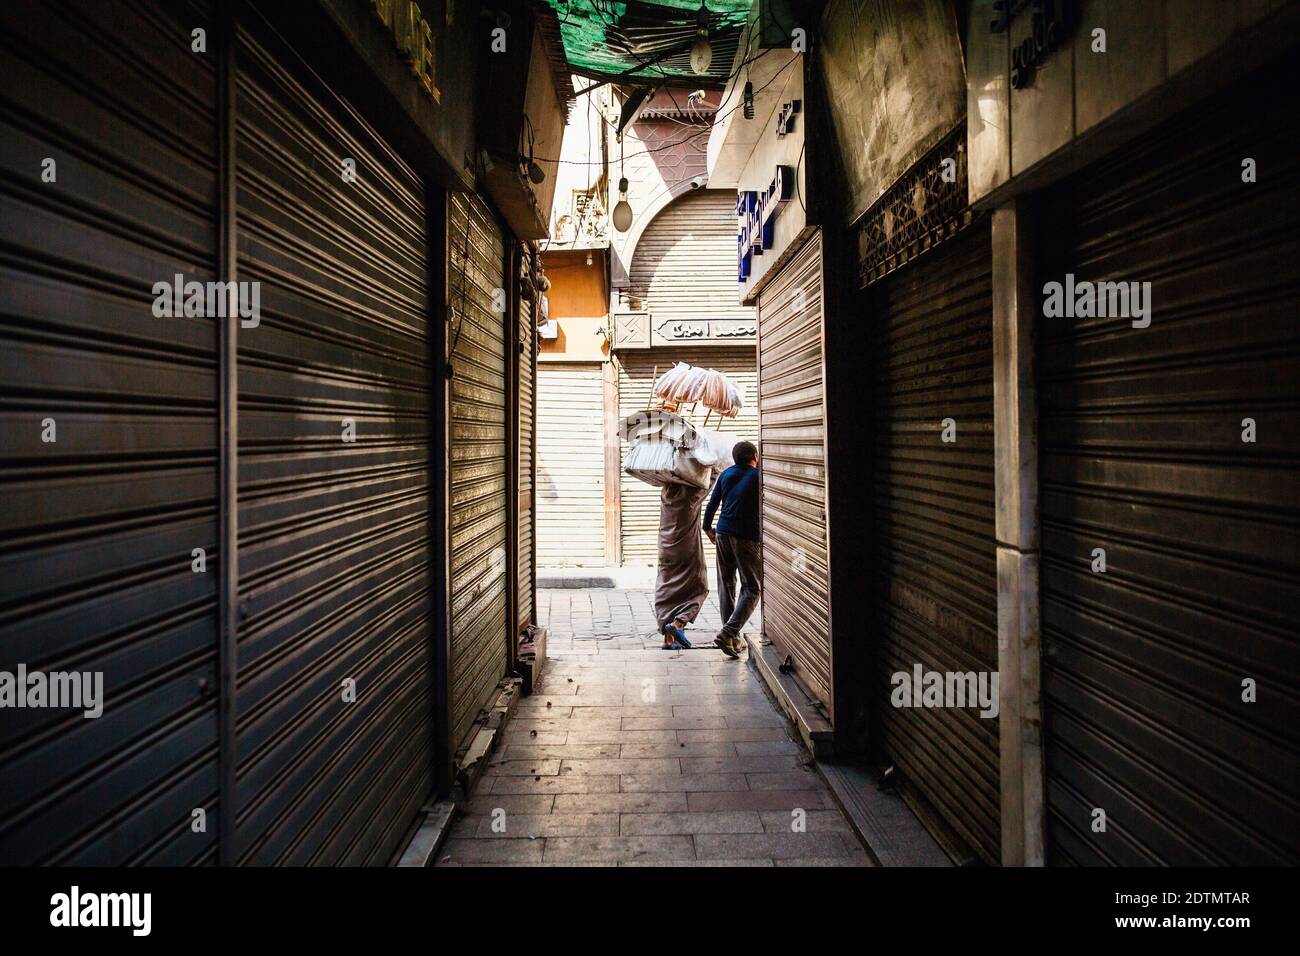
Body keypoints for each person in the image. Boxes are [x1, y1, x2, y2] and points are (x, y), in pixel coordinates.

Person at [703, 440, 761, 659]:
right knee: (752, 588)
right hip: (746, 535)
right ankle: (729, 632)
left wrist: (707, 527)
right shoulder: (758, 476)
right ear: (754, 456)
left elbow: (712, 504)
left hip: (723, 533)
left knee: (726, 585)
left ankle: (733, 639)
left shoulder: (726, 474)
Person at [655, 482, 710, 650]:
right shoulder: (691, 497)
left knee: (667, 588)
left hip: (665, 547)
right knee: (699, 587)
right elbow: (710, 480)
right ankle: (678, 624)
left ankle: (668, 639)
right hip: (686, 549)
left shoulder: (666, 494)